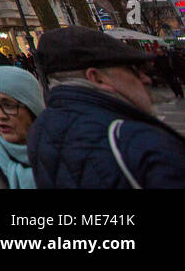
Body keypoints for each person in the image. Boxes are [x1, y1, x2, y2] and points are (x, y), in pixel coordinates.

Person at [28, 26, 185, 189]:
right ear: (97, 78)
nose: (146, 79)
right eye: (134, 70)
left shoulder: (39, 131)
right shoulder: (134, 138)